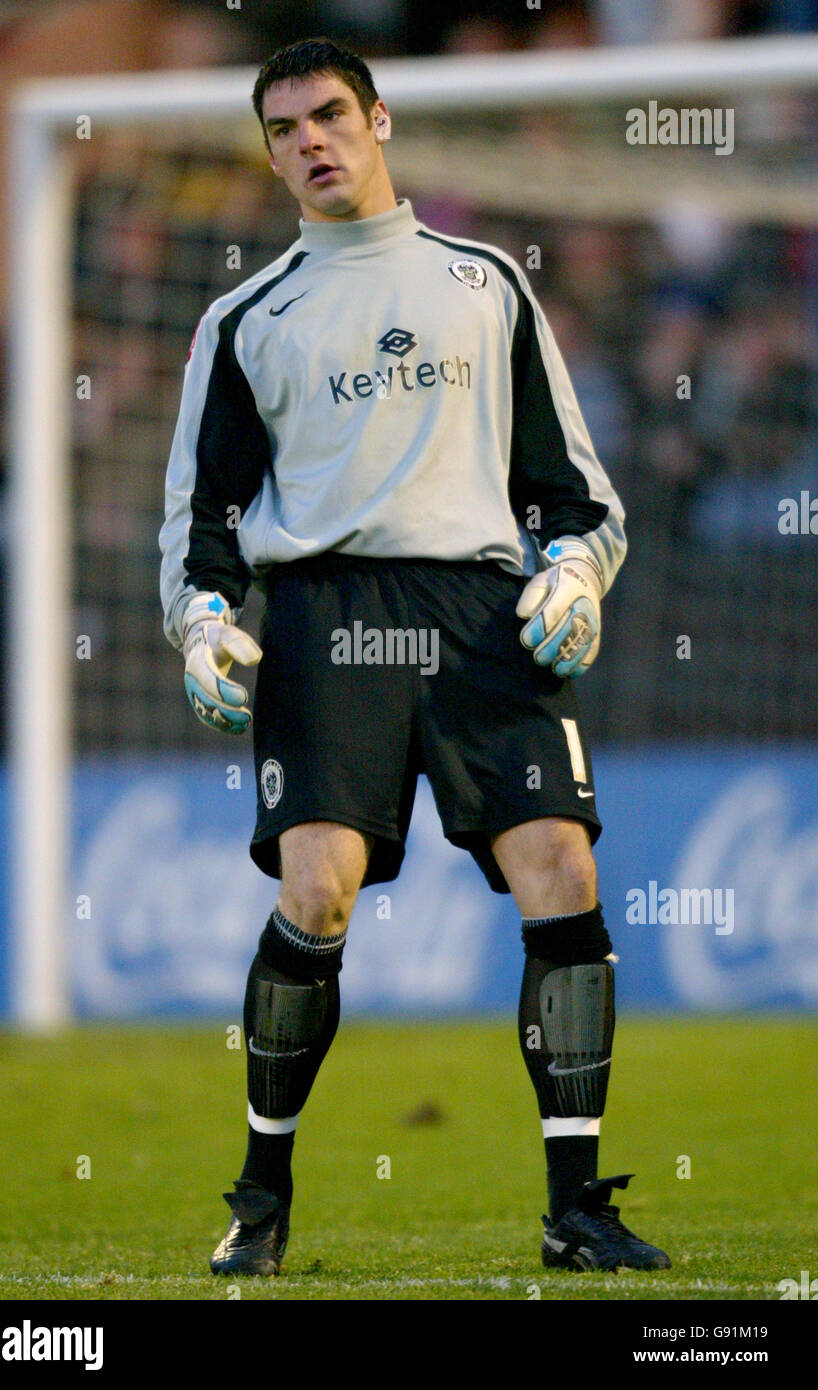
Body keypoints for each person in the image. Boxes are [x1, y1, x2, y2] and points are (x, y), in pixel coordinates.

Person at [159, 36, 671, 1278]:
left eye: (328, 115)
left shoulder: (486, 281)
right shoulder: (243, 320)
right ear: (270, 151)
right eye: (282, 130)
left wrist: (571, 573)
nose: (309, 143)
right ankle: (261, 1198)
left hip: (483, 610)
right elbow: (203, 519)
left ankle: (575, 1209)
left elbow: (572, 493)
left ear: (378, 119)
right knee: (315, 892)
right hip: (329, 614)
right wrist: (205, 620)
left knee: (561, 870)